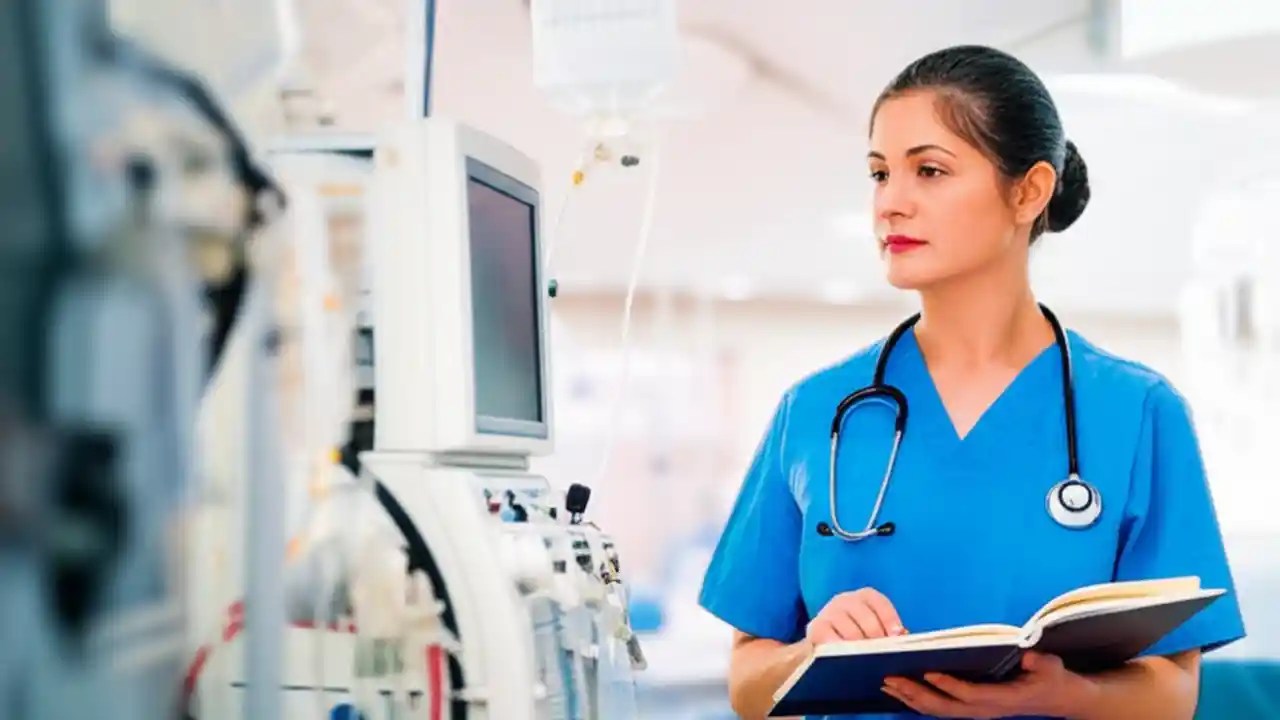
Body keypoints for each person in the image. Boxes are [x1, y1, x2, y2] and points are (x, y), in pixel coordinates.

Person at [697, 44, 1246, 720]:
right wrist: (809, 651)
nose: (890, 204)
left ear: (1029, 191)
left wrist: (1068, 694)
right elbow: (748, 683)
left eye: (929, 170)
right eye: (879, 173)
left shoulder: (1139, 412)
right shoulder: (815, 411)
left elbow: (1173, 692)